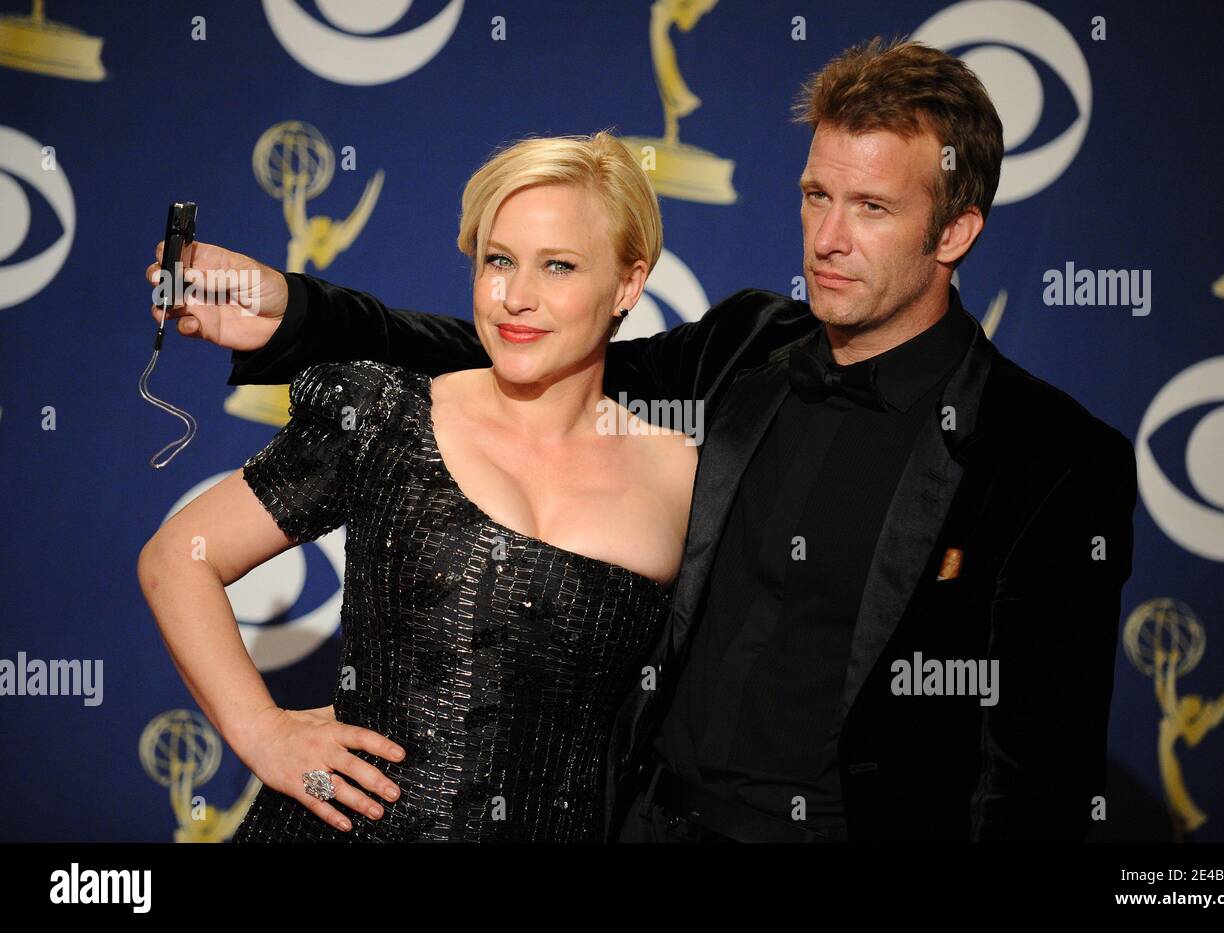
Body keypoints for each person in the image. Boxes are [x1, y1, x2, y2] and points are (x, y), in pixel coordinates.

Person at [151, 37, 1138, 843]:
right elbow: (530, 343)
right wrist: (291, 310)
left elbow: (1032, 783)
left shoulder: (1050, 459)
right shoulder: (745, 349)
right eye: (814, 196)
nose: (827, 239)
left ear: (955, 231)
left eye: (872, 208)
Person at [138, 130, 698, 842]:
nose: (516, 296)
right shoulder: (388, 414)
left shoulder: (684, 475)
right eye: (498, 260)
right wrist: (263, 732)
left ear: (628, 283)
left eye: (558, 266)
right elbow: (176, 559)